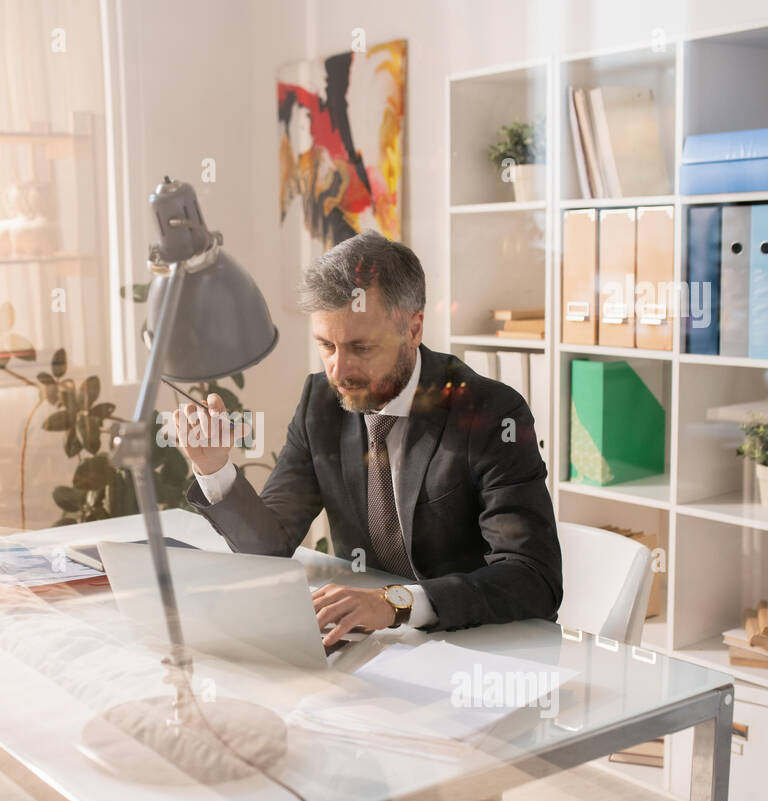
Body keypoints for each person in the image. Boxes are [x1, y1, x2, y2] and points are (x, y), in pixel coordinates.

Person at [172, 231, 561, 645]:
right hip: (371, 647)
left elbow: (534, 578)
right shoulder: (320, 402)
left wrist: (397, 603)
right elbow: (269, 548)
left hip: (478, 647)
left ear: (413, 329)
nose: (340, 370)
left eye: (361, 347)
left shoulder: (490, 412)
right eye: (327, 345)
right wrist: (215, 469)